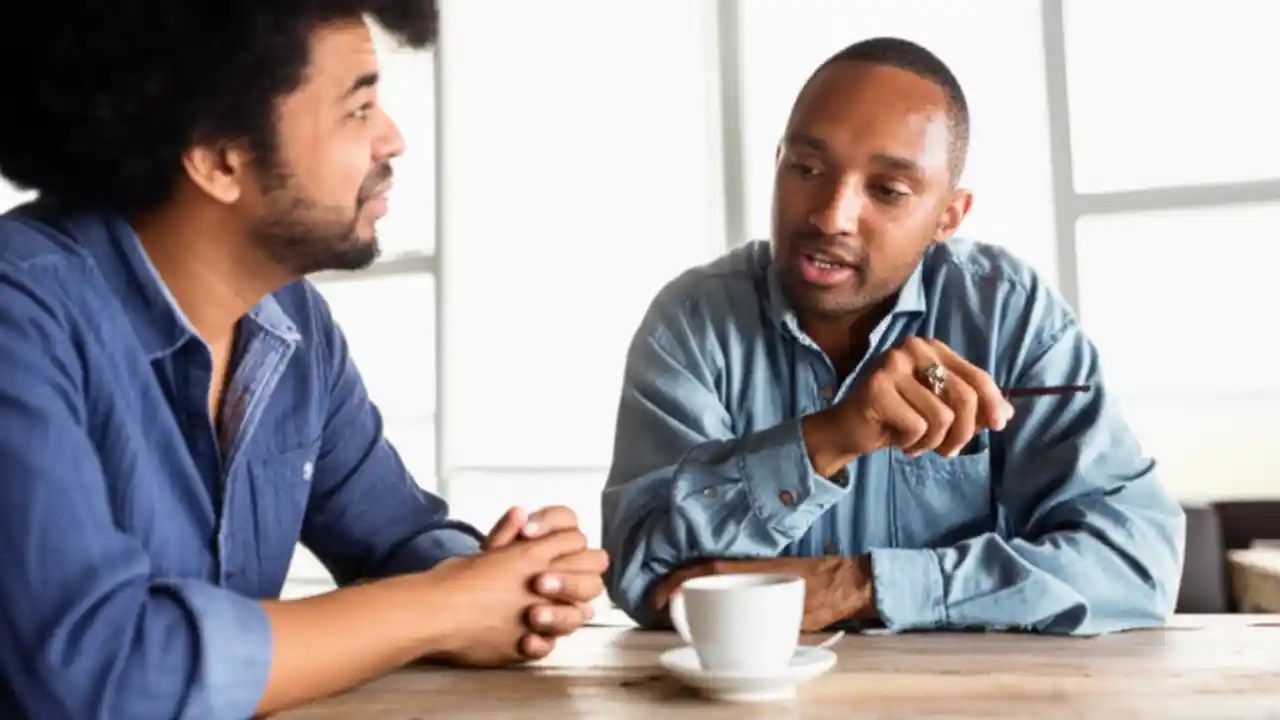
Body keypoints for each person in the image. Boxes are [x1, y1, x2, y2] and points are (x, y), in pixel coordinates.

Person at [0, 1, 607, 717]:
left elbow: (397, 538)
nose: (393, 138)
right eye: (359, 109)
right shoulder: (21, 318)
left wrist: (509, 580)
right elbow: (101, 669)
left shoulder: (293, 323)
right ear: (220, 157)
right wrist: (448, 607)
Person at [601, 37, 1184, 636]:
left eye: (888, 191)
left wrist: (858, 584)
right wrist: (828, 438)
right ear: (777, 164)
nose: (831, 216)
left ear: (948, 216)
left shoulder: (1009, 316)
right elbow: (645, 572)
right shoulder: (692, 322)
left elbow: (1134, 562)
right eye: (807, 169)